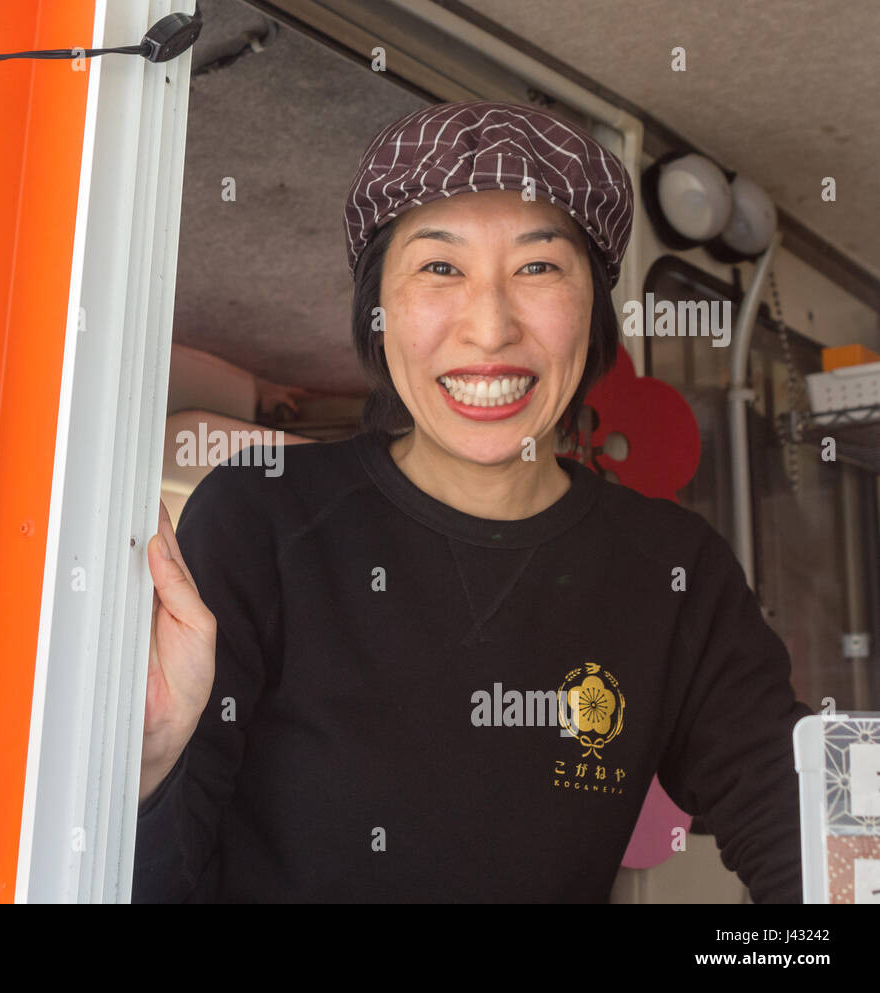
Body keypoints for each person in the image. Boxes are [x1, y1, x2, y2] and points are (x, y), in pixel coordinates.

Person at [133, 100, 810, 903]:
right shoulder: (260, 518)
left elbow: (803, 835)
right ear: (378, 312)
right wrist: (146, 766)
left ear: (593, 309)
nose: (489, 329)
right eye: (440, 268)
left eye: (538, 267)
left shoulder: (673, 571)